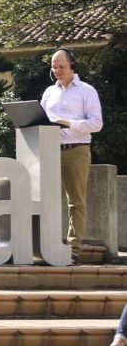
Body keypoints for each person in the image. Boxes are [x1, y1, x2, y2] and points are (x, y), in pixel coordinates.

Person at [40, 47, 103, 259]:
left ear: (72, 65)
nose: (57, 70)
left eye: (62, 66)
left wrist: (68, 124)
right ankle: (43, 246)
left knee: (76, 202)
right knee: (41, 198)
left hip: (76, 150)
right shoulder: (49, 92)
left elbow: (97, 124)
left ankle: (73, 250)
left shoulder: (87, 91)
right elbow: (39, 119)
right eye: (54, 67)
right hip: (48, 151)